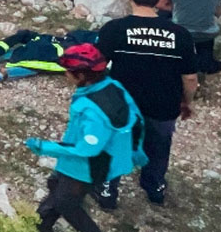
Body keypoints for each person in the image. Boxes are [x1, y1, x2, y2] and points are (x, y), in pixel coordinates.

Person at [95, 0, 198, 208]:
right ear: (158, 0)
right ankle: (155, 188)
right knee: (159, 147)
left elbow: (97, 66)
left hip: (123, 105)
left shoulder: (115, 29)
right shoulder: (179, 34)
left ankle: (107, 192)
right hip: (163, 105)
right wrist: (187, 102)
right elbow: (190, 77)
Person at [25, 44, 147, 232]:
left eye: (68, 71)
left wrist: (44, 147)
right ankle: (40, 225)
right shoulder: (113, 85)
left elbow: (87, 149)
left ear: (81, 76)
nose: (66, 74)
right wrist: (136, 151)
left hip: (85, 166)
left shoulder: (91, 109)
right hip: (98, 159)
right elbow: (136, 118)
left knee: (67, 204)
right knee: (56, 186)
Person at [0, 29, 98, 82]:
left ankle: (4, 72)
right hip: (58, 45)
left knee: (37, 64)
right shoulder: (94, 40)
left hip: (61, 52)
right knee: (30, 53)